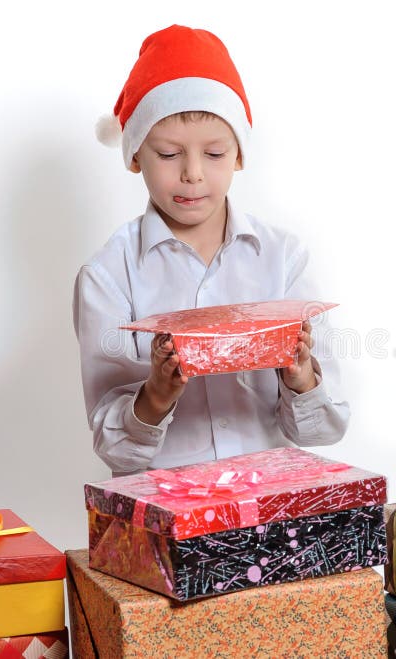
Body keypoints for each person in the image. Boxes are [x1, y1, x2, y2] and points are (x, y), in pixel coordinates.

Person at [74, 25, 349, 475]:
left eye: (216, 154)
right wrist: (156, 394)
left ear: (239, 155)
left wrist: (301, 379)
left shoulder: (282, 257)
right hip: (169, 517)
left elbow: (323, 432)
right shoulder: (108, 274)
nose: (192, 174)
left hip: (269, 509)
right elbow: (115, 450)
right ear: (136, 156)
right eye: (168, 155)